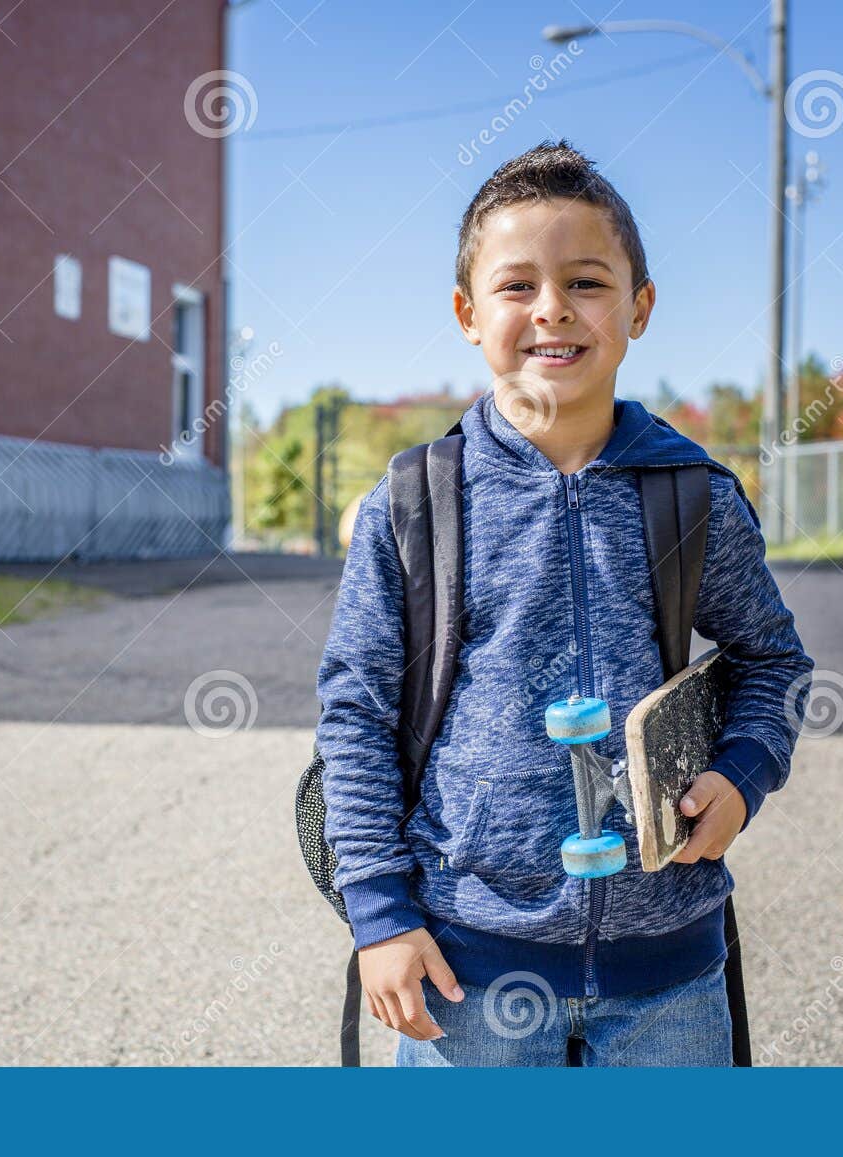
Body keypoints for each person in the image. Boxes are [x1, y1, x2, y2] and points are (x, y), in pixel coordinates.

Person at [315, 139, 815, 1066]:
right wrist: (378, 915)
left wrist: (743, 775)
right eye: (517, 286)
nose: (552, 309)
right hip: (464, 971)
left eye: (587, 281)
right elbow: (354, 716)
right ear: (468, 313)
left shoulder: (692, 494)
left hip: (669, 977)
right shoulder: (414, 505)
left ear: (640, 308)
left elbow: (774, 663)